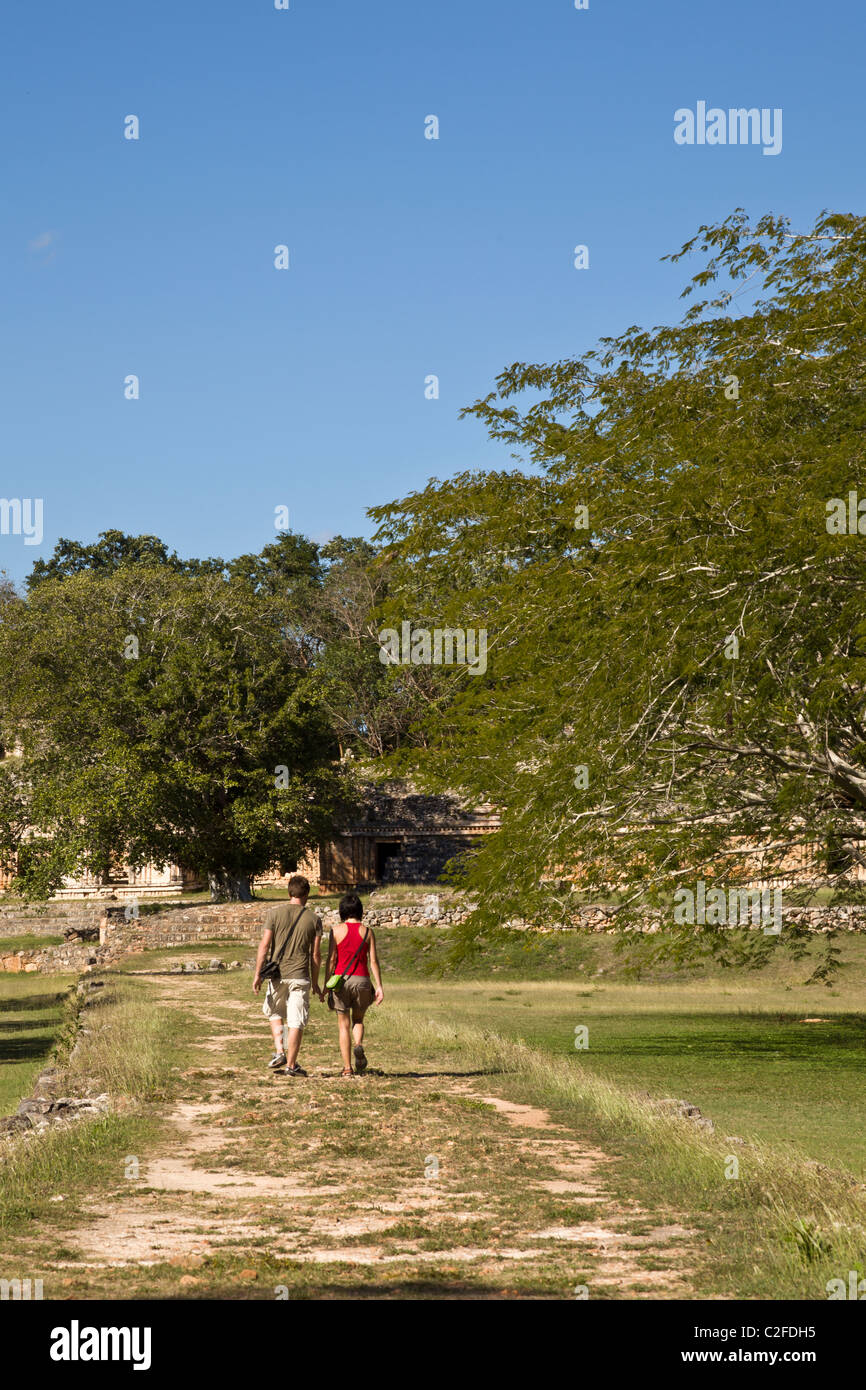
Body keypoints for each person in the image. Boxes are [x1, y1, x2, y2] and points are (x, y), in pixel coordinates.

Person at [253, 874, 322, 1077]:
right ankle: (291, 1066)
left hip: (277, 974)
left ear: (289, 892)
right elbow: (316, 955)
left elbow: (264, 946)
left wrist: (258, 974)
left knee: (274, 1012)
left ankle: (280, 1050)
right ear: (307, 894)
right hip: (300, 975)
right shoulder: (314, 919)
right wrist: (316, 982)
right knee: (296, 1021)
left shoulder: (274, 914)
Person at [323, 893, 383, 1077]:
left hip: (342, 981)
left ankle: (347, 1068)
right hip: (363, 981)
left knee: (343, 1025)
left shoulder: (336, 931)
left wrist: (326, 984)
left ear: (342, 911)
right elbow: (373, 961)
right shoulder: (368, 932)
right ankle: (358, 1045)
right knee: (358, 1020)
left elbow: (332, 960)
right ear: (360, 911)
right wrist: (379, 986)